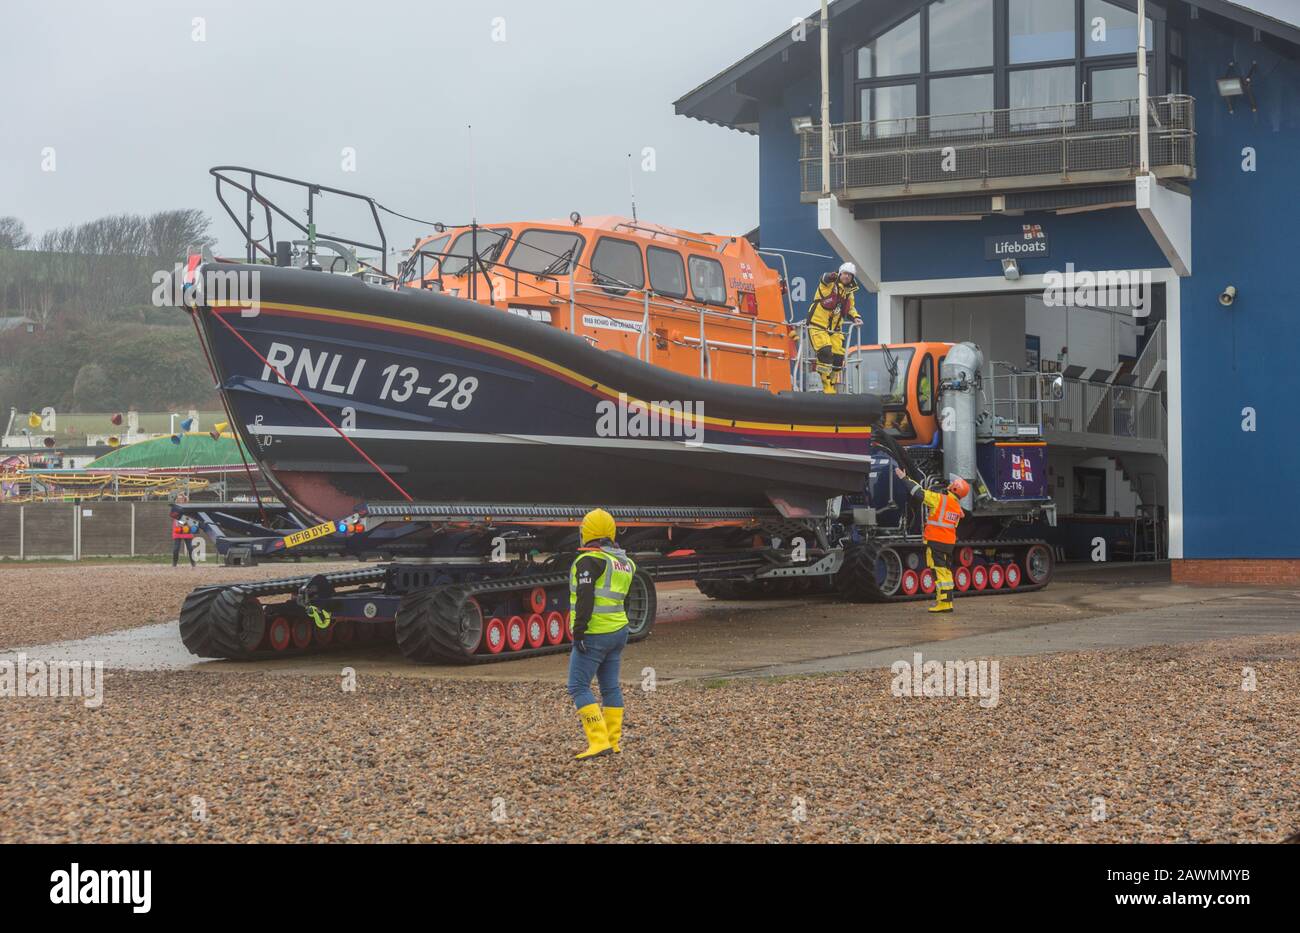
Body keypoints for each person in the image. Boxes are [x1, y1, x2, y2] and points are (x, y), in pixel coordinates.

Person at [567, 508, 636, 760]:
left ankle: (598, 741)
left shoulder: (588, 561)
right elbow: (624, 599)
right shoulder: (625, 562)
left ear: (587, 532)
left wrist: (579, 632)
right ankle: (614, 741)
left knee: (577, 686)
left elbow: (585, 598)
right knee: (610, 687)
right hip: (618, 631)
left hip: (595, 633)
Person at [895, 467, 970, 612]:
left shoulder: (940, 500)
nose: (949, 484)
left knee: (939, 571)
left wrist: (904, 478)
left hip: (937, 541)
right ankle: (947, 602)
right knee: (945, 572)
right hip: (948, 543)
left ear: (954, 488)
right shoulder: (957, 508)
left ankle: (944, 603)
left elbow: (918, 492)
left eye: (952, 483)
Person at [807, 261, 862, 393]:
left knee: (838, 357)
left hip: (835, 329)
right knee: (825, 352)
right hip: (818, 325)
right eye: (844, 273)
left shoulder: (849, 292)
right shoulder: (830, 283)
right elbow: (825, 278)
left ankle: (832, 383)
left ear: (852, 278)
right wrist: (832, 276)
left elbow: (850, 307)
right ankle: (825, 385)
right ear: (840, 273)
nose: (847, 277)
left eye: (850, 275)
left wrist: (855, 317)